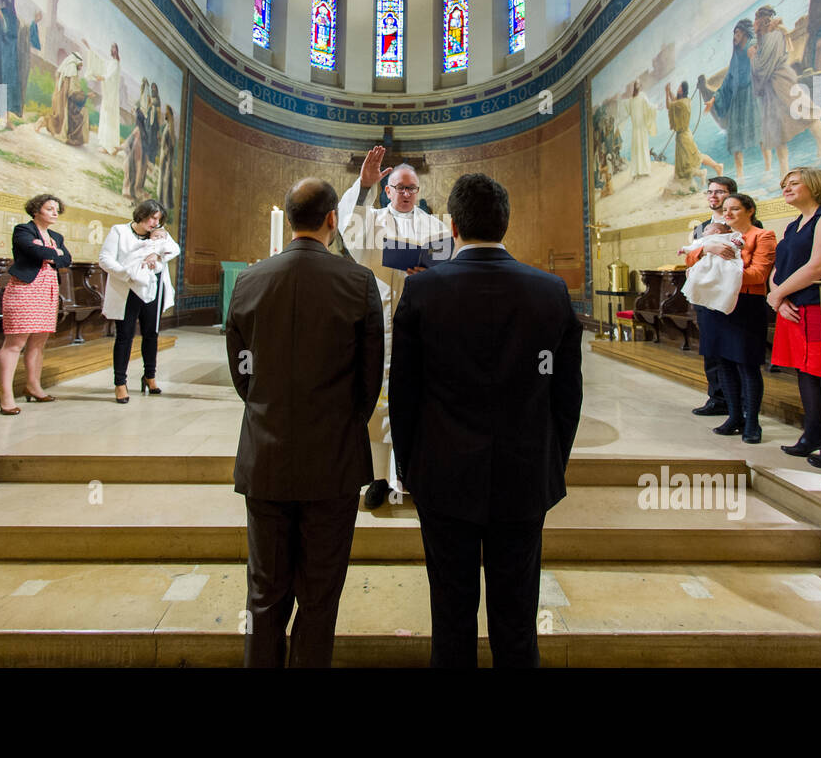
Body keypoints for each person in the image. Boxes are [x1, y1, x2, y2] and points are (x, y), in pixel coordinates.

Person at [389, 173, 582, 668]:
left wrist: (412, 469)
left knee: (450, 617)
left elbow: (404, 394)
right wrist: (549, 462)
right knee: (518, 622)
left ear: (451, 226)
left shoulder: (422, 292)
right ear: (506, 222)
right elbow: (566, 396)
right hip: (523, 476)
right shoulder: (551, 291)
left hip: (443, 475)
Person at [225, 178, 383, 668]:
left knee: (264, 595)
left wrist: (269, 407)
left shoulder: (250, 280)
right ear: (333, 219)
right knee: (320, 597)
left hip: (266, 458)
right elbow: (369, 380)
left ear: (290, 220)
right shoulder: (358, 283)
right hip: (332, 463)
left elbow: (241, 369)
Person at [336, 147, 451, 509]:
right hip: (379, 324)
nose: (406, 194)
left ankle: (408, 472)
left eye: (412, 188)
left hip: (421, 327)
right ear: (388, 190)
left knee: (416, 398)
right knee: (376, 401)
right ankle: (378, 479)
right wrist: (364, 185)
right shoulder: (371, 219)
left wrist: (431, 273)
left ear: (418, 191)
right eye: (400, 187)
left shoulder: (435, 226)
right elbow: (346, 228)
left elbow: (448, 271)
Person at [766, 167, 821, 469]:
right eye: (784, 185)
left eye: (794, 183)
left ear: (815, 185)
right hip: (794, 307)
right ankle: (814, 434)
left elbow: (818, 267)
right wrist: (777, 297)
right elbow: (779, 269)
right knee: (805, 372)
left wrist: (777, 296)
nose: (786, 188)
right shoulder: (794, 226)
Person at [684, 193, 776, 444]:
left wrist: (719, 275)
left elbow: (758, 274)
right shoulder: (715, 236)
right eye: (725, 209)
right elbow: (689, 259)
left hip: (745, 305)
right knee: (723, 362)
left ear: (750, 211)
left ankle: (752, 422)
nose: (728, 214)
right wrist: (707, 248)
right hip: (716, 304)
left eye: (735, 209)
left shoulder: (761, 236)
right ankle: (733, 416)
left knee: (746, 364)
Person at [0, 194, 72, 414]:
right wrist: (51, 253)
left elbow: (66, 260)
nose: (55, 213)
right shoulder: (23, 230)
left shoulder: (56, 235)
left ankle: (33, 386)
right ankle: (6, 395)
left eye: (57, 209)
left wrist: (51, 252)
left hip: (47, 291)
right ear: (36, 210)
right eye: (49, 209)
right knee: (15, 343)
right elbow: (33, 251)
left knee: (38, 342)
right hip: (24, 289)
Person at [98, 199, 179, 403]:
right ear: (141, 214)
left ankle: (149, 376)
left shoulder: (159, 235)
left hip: (153, 289)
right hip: (127, 288)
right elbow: (105, 259)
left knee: (151, 334)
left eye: (158, 219)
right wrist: (128, 273)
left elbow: (174, 249)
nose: (154, 223)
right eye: (152, 217)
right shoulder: (120, 231)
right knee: (124, 336)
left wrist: (155, 253)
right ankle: (120, 383)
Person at [750, 5, 821, 179]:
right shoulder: (765, 39)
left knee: (804, 109)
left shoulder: (772, 37)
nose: (754, 26)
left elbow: (763, 65)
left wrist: (753, 56)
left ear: (761, 21)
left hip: (781, 80)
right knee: (776, 128)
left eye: (755, 22)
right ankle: (783, 169)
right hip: (770, 88)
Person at [688, 176, 737, 417]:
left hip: (729, 294)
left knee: (731, 350)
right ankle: (716, 397)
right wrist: (706, 248)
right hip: (705, 294)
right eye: (710, 192)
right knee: (710, 349)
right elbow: (690, 257)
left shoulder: (741, 223)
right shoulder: (700, 228)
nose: (713, 196)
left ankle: (737, 402)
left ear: (731, 195)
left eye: (720, 192)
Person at [705, 20, 762, 182]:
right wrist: (713, 98)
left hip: (752, 97)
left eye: (737, 34)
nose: (735, 37)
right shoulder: (735, 57)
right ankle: (740, 175)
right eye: (734, 34)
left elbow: (761, 57)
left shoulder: (753, 46)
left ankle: (768, 168)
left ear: (744, 33)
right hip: (738, 101)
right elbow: (727, 82)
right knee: (736, 140)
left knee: (762, 133)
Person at [665, 81, 722, 190]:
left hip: (684, 136)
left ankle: (703, 172)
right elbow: (674, 102)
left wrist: (667, 93)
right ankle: (715, 167)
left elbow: (669, 105)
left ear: (682, 90)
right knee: (693, 158)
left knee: (691, 160)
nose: (678, 88)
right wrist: (670, 92)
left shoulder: (681, 103)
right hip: (684, 135)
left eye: (679, 87)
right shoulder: (685, 101)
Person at [625, 80, 657, 178]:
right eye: (636, 84)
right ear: (635, 86)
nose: (638, 86)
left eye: (639, 84)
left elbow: (648, 106)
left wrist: (654, 107)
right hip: (636, 129)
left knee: (643, 147)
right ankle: (637, 171)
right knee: (637, 149)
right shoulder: (631, 99)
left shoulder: (642, 96)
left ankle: (645, 170)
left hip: (641, 127)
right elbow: (628, 111)